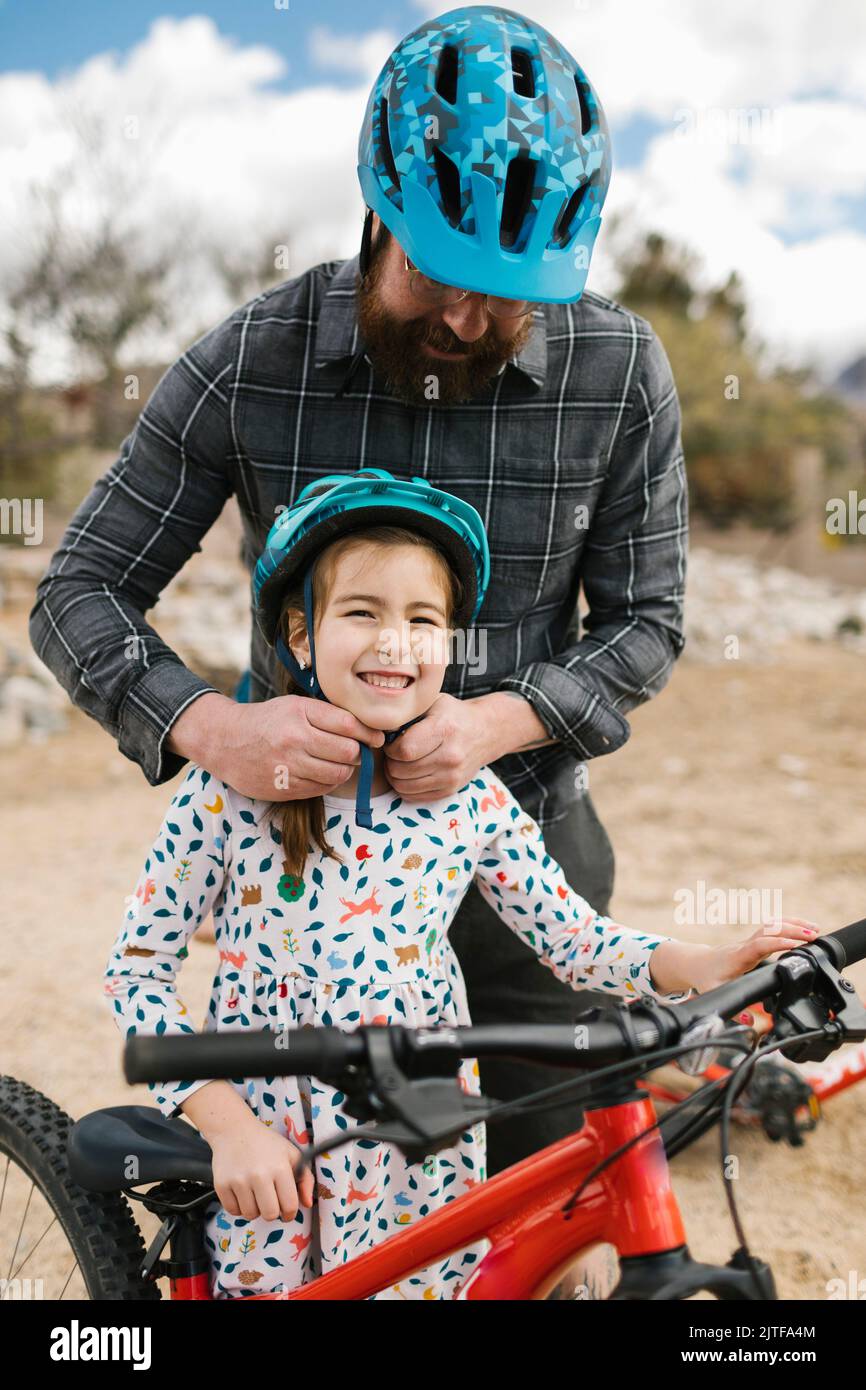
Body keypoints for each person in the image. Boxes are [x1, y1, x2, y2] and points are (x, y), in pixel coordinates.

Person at [32, 6, 689, 1176]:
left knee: (542, 1210)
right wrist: (213, 727)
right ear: (378, 207)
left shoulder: (621, 370)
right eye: (436, 275)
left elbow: (647, 623)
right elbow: (78, 587)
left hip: (524, 834)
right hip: (292, 871)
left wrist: (495, 722)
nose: (463, 319)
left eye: (507, 295)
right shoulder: (248, 361)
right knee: (320, 1199)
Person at [103, 473, 819, 1299]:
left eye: (422, 620)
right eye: (362, 612)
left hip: (420, 1150)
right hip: (273, 1156)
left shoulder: (471, 797)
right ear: (301, 635)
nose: (395, 643)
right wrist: (227, 1129)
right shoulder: (226, 791)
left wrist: (714, 961)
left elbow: (576, 941)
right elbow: (136, 973)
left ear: (451, 643)